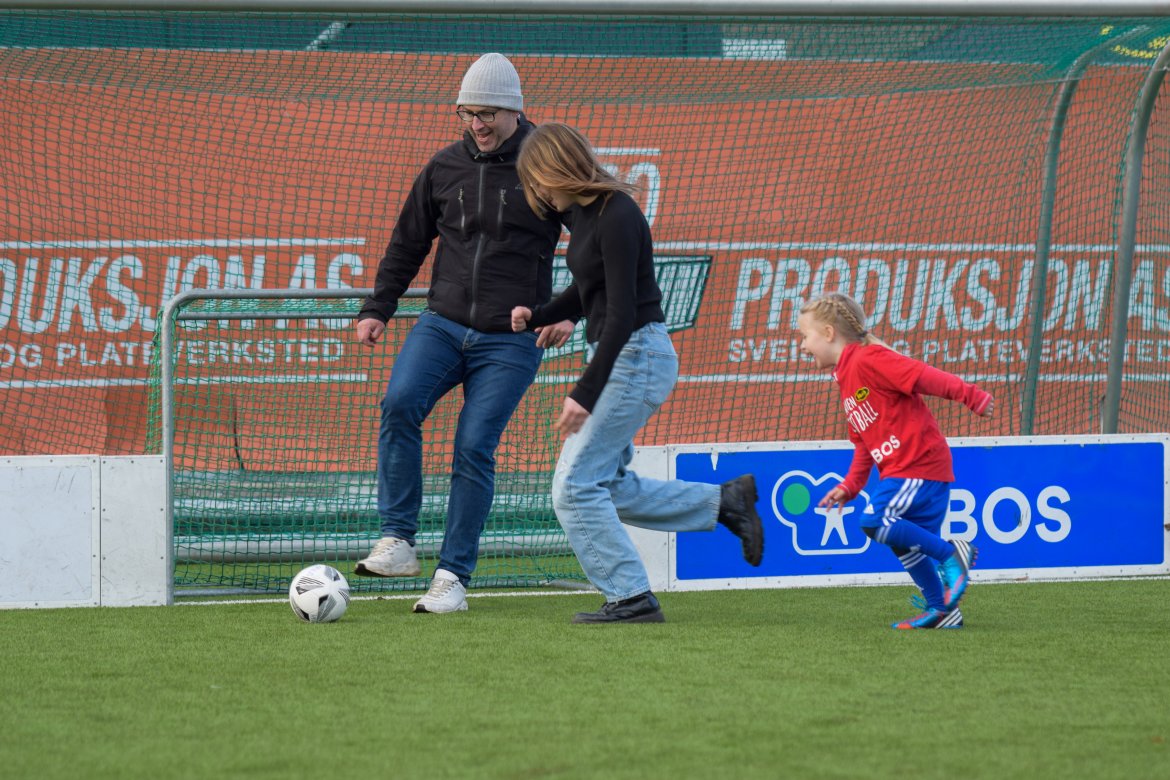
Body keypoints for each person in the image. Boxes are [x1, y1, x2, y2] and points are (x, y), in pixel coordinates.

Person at [511, 122, 765, 624]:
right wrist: (538, 314)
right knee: (603, 484)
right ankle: (725, 502)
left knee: (572, 487)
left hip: (635, 354)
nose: (535, 192)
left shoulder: (617, 213)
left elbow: (623, 312)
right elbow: (589, 290)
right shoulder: (582, 218)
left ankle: (630, 596)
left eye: (537, 180)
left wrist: (585, 392)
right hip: (622, 355)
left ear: (558, 168)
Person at [354, 53, 575, 614]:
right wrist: (378, 306)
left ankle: (452, 577)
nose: (477, 123)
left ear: (514, 111)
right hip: (442, 324)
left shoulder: (546, 166)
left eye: (489, 113)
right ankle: (399, 540)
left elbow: (598, 246)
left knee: (473, 447)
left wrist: (571, 311)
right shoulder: (443, 166)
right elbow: (408, 242)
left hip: (511, 339)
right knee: (399, 403)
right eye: (467, 112)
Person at [796, 292, 993, 629]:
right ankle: (942, 611)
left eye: (805, 336)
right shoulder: (846, 377)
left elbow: (923, 375)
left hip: (918, 466)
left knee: (874, 520)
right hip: (909, 471)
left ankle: (951, 555)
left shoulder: (868, 360)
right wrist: (850, 487)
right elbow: (864, 444)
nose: (802, 345)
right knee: (905, 546)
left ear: (829, 333)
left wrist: (970, 395)